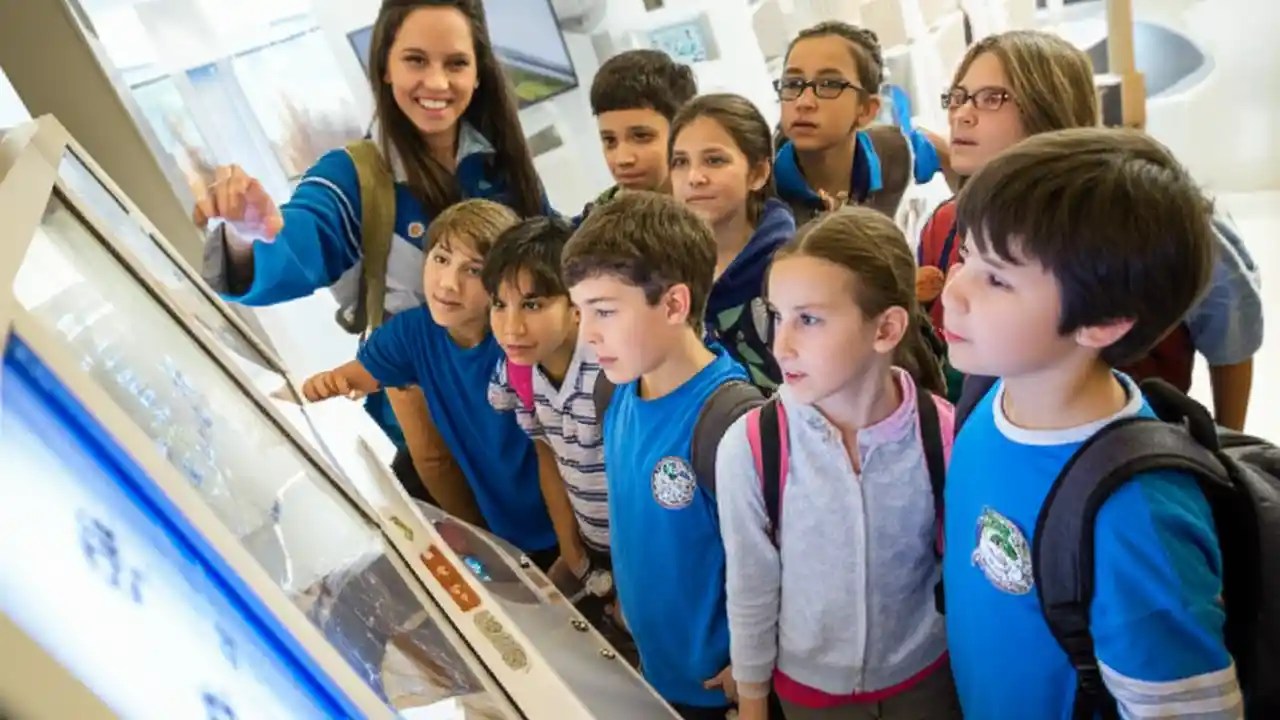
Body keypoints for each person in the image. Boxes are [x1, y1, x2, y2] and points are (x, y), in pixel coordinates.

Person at [940, 127, 1242, 718]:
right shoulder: (987, 393)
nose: (954, 290)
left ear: (1102, 322)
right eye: (966, 256)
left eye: (998, 278)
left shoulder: (1134, 516)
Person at [192, 0, 549, 494]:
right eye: (416, 60)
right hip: (438, 429)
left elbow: (550, 259)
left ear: (479, 72)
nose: (438, 83)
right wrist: (246, 234)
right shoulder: (356, 177)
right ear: (383, 66)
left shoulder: (499, 164)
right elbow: (298, 242)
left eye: (456, 63)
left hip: (533, 412)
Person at [918, 30, 1262, 429]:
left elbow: (1232, 340)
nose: (962, 114)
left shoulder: (1152, 218)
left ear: (1052, 105)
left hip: (1123, 450)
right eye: (957, 97)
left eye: (992, 98)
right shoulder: (945, 224)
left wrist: (1227, 445)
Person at [716, 207, 957, 720]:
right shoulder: (753, 446)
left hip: (927, 678)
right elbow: (751, 587)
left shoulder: (945, 434)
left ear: (887, 327)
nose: (781, 344)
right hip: (809, 693)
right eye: (777, 315)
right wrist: (755, 704)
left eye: (809, 319)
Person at [562, 192, 762, 720]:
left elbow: (777, 564)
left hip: (724, 689)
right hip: (658, 673)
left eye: (604, 310)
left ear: (673, 304)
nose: (587, 334)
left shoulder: (730, 421)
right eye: (580, 311)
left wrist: (755, 665)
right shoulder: (614, 392)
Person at [300, 199, 557, 566]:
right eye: (441, 259)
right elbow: (351, 377)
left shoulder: (519, 339)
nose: (448, 283)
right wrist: (326, 383)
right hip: (506, 530)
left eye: (473, 270)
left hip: (569, 516)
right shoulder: (411, 332)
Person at [482, 216, 625, 645]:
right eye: (498, 304)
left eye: (532, 304)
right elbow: (548, 454)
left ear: (577, 306)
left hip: (646, 554)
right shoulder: (517, 371)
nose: (511, 327)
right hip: (593, 546)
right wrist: (571, 548)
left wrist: (635, 581)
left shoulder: (613, 370)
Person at [670, 93, 793, 391]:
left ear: (759, 173)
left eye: (714, 160)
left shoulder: (791, 269)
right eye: (680, 162)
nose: (694, 177)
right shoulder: (663, 273)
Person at [773, 21, 948, 224]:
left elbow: (947, 151)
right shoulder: (758, 191)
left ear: (866, 109)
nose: (803, 102)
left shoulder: (893, 153)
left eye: (829, 84)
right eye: (793, 84)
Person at [575, 49, 699, 225]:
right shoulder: (595, 226)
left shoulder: (731, 216)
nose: (622, 159)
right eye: (610, 141)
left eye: (641, 136)